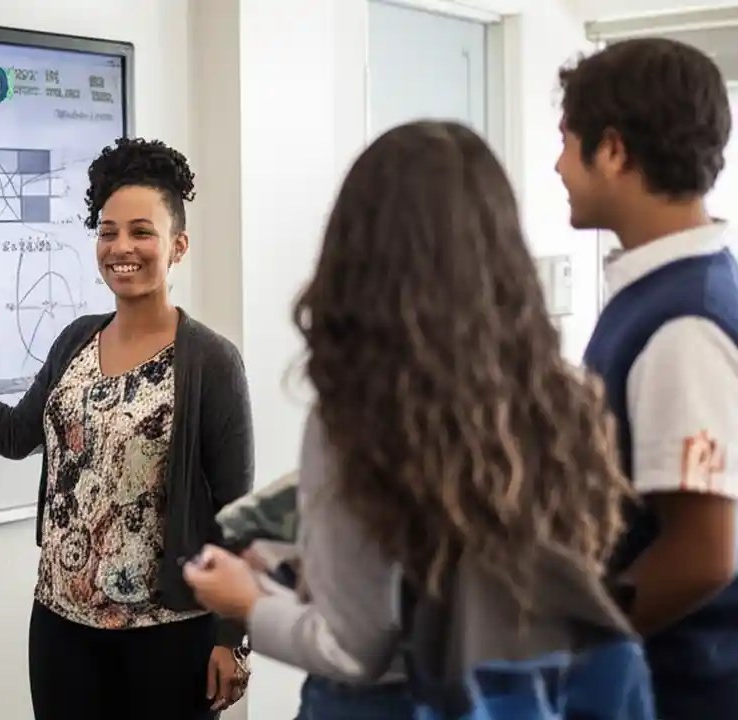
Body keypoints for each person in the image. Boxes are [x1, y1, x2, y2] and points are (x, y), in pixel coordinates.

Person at [183, 121, 639, 719]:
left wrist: (247, 601)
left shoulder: (356, 419)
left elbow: (355, 651)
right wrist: (298, 564)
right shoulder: (560, 403)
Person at [0, 137, 253, 720]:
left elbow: (238, 511)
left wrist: (232, 637)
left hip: (167, 635)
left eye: (142, 231)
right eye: (108, 232)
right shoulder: (75, 340)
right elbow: (14, 436)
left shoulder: (211, 360)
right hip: (61, 627)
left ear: (177, 245)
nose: (121, 248)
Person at [556, 37, 738, 718]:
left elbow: (702, 555)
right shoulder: (661, 293)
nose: (557, 165)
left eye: (566, 142)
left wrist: (567, 638)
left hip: (680, 690)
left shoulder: (684, 323)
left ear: (613, 150)